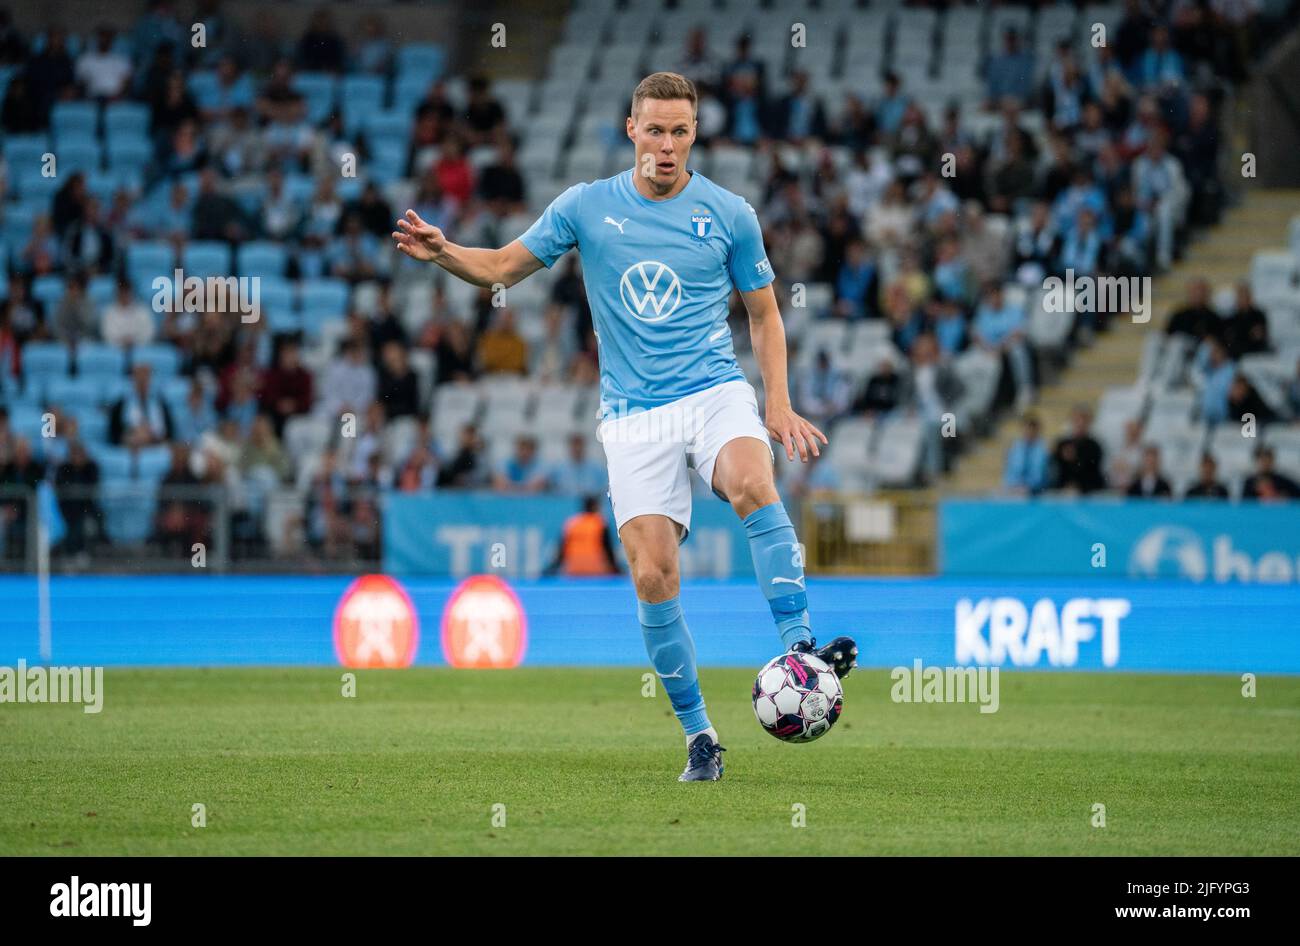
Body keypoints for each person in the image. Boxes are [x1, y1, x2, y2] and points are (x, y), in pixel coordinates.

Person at [392, 71, 855, 782]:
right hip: (634, 414)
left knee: (753, 483)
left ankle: (802, 646)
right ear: (631, 129)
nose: (666, 145)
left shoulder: (730, 214)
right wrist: (445, 252)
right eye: (655, 130)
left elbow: (763, 313)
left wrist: (779, 400)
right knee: (651, 574)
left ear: (694, 133)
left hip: (712, 390)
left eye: (680, 131)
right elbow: (503, 269)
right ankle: (702, 737)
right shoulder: (585, 207)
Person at [545, 495, 623, 577]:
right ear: (595, 507)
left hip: (573, 570)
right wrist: (618, 570)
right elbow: (608, 551)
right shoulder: (600, 523)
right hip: (596, 571)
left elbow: (561, 553)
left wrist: (549, 570)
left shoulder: (571, 524)